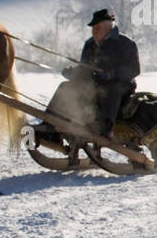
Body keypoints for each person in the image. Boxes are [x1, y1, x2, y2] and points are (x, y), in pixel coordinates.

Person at [51, 9, 140, 141]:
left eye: (97, 27)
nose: (94, 31)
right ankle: (50, 123)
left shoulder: (126, 44)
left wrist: (113, 74)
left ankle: (106, 129)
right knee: (66, 87)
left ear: (109, 27)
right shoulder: (89, 44)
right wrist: (72, 73)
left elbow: (134, 69)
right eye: (93, 28)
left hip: (120, 87)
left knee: (111, 89)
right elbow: (84, 69)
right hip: (95, 84)